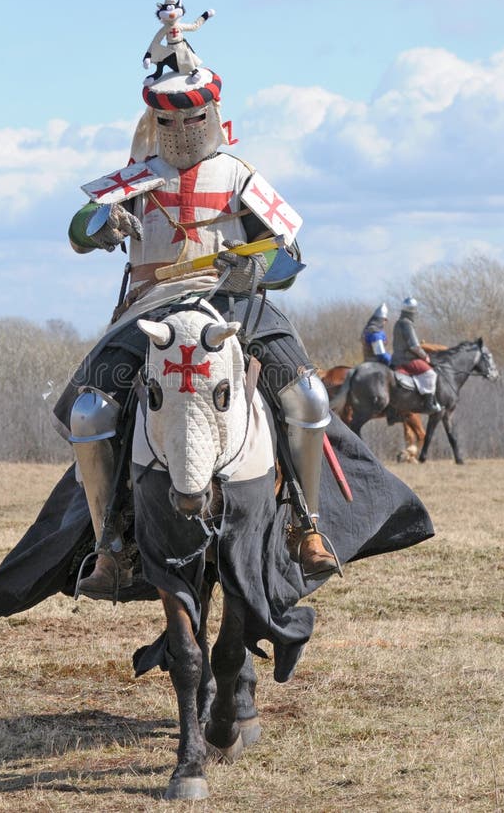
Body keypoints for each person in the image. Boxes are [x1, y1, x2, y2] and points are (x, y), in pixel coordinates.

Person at [59, 60, 339, 597]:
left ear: (211, 114)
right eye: (170, 122)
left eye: (193, 119)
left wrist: (252, 266)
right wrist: (104, 223)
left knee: (307, 397)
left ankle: (306, 526)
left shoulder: (239, 175)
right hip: (151, 308)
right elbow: (77, 231)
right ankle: (109, 547)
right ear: (154, 122)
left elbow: (288, 260)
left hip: (233, 304)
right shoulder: (133, 180)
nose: (183, 132)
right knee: (90, 411)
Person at [391, 297, 442, 414]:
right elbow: (414, 346)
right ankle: (429, 405)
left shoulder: (398, 323)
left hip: (396, 358)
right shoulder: (407, 324)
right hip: (407, 359)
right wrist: (425, 357)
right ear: (412, 311)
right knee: (431, 374)